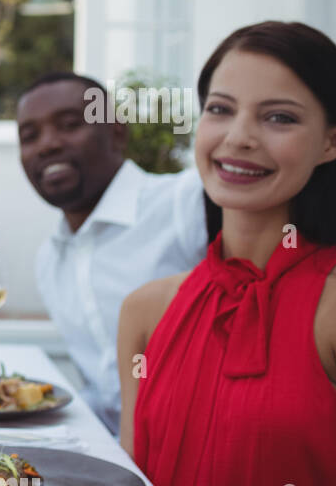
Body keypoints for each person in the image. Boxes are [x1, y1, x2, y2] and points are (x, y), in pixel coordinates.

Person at [118, 21, 336, 486]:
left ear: (333, 140)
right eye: (221, 109)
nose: (239, 136)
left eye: (278, 117)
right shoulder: (146, 312)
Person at [17, 72, 207, 435]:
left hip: (199, 449)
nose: (47, 145)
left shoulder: (184, 202)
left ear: (116, 132)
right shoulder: (50, 260)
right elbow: (103, 392)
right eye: (30, 136)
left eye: (71, 124)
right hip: (116, 458)